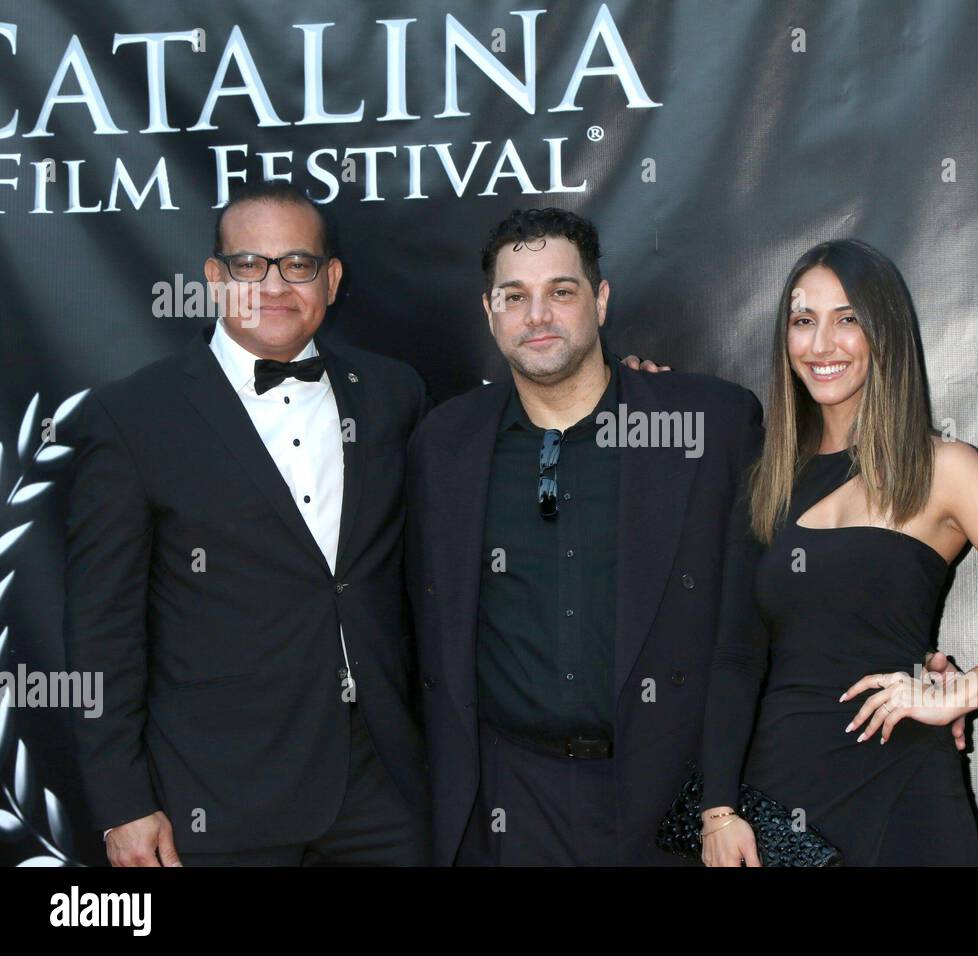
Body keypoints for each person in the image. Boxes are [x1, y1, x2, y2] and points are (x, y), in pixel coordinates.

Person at [63, 181, 432, 865]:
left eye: (296, 264)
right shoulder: (131, 418)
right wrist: (121, 802)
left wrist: (637, 394)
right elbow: (100, 630)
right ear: (214, 278)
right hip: (215, 793)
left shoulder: (392, 394)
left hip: (381, 783)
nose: (273, 285)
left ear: (331, 278)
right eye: (248, 265)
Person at [405, 207, 778, 865]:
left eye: (561, 291)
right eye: (514, 297)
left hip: (670, 799)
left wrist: (719, 800)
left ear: (600, 302)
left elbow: (748, 629)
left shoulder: (708, 426)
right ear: (490, 313)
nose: (537, 315)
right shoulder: (444, 443)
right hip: (505, 804)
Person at [699, 239, 978, 866]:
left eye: (847, 318)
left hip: (906, 795)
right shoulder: (764, 477)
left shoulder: (946, 468)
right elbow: (736, 657)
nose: (821, 344)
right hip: (777, 795)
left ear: (883, 333)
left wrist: (959, 695)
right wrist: (718, 809)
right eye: (804, 321)